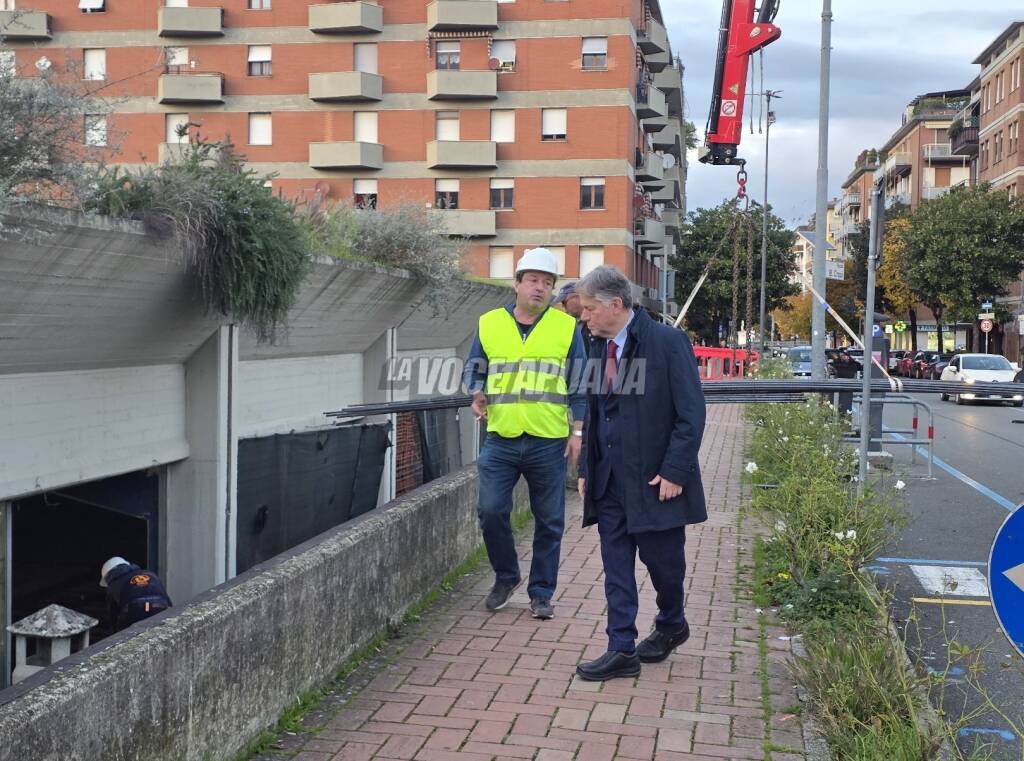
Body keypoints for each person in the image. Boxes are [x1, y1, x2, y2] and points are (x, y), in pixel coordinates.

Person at [573, 266, 707, 681]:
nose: (583, 317)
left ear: (616, 305)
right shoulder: (593, 344)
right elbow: (595, 413)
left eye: (590, 309)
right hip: (609, 479)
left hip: (655, 482)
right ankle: (621, 649)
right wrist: (585, 469)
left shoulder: (667, 343)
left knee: (664, 565)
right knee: (616, 566)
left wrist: (675, 472)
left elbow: (691, 413)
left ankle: (672, 623)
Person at [462, 248, 586, 620]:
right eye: (533, 280)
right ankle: (507, 575)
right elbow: (473, 370)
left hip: (548, 440)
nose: (540, 288)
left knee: (549, 520)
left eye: (547, 283)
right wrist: (476, 392)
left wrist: (577, 431)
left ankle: (541, 592)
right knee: (490, 510)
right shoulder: (489, 323)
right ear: (516, 283)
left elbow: (579, 384)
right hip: (501, 437)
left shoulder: (566, 328)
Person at [100, 556, 173, 633]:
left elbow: (113, 614)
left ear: (108, 576)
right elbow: (165, 597)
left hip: (134, 611)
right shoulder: (150, 574)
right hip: (160, 606)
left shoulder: (113, 585)